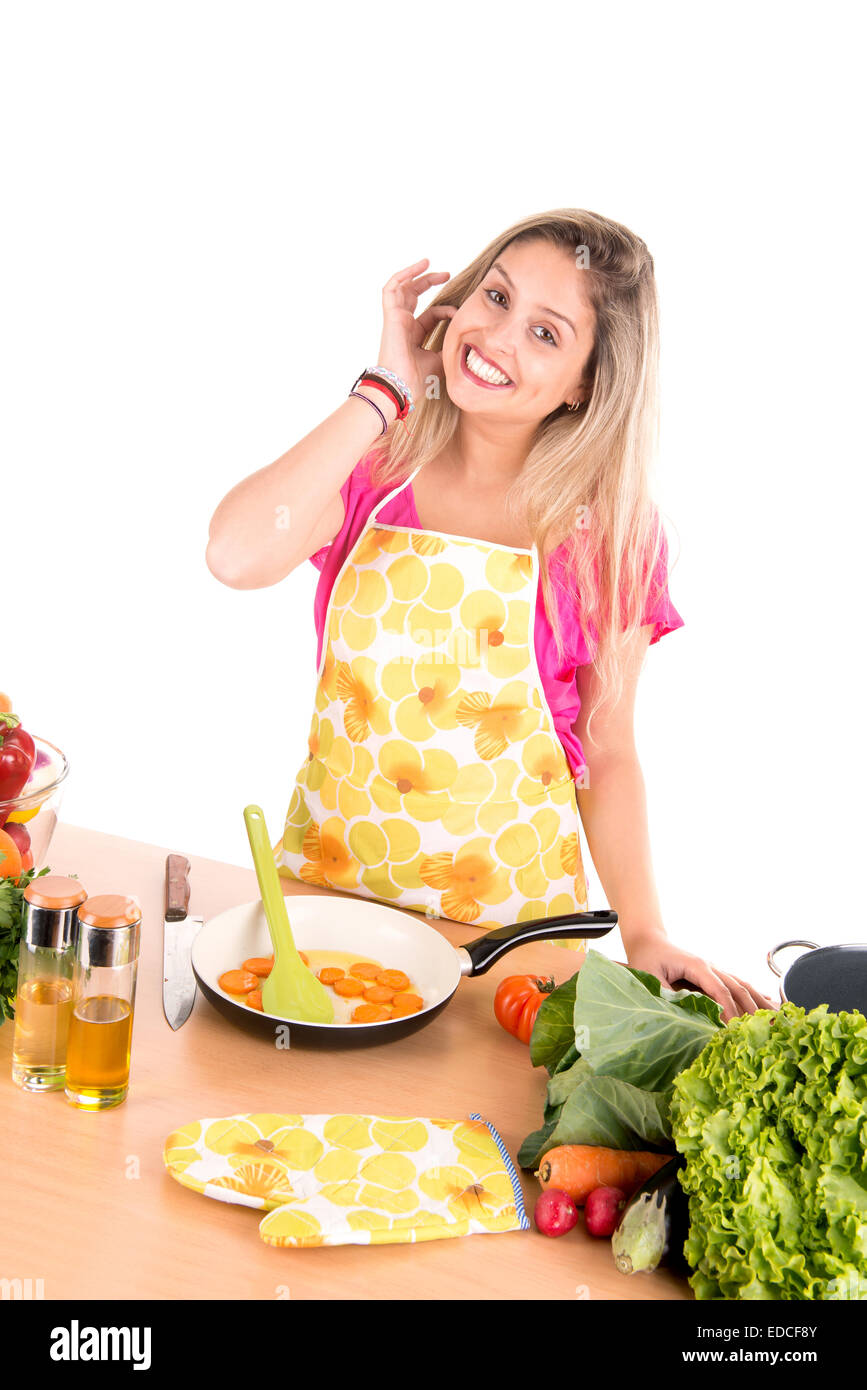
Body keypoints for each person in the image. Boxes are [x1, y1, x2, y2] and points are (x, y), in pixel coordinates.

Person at [207, 208, 773, 1022]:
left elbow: (607, 755)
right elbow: (234, 554)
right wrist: (384, 390)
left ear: (586, 383)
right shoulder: (373, 467)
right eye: (497, 296)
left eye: (546, 334)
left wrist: (645, 930)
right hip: (324, 912)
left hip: (509, 952)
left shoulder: (604, 535)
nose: (498, 336)